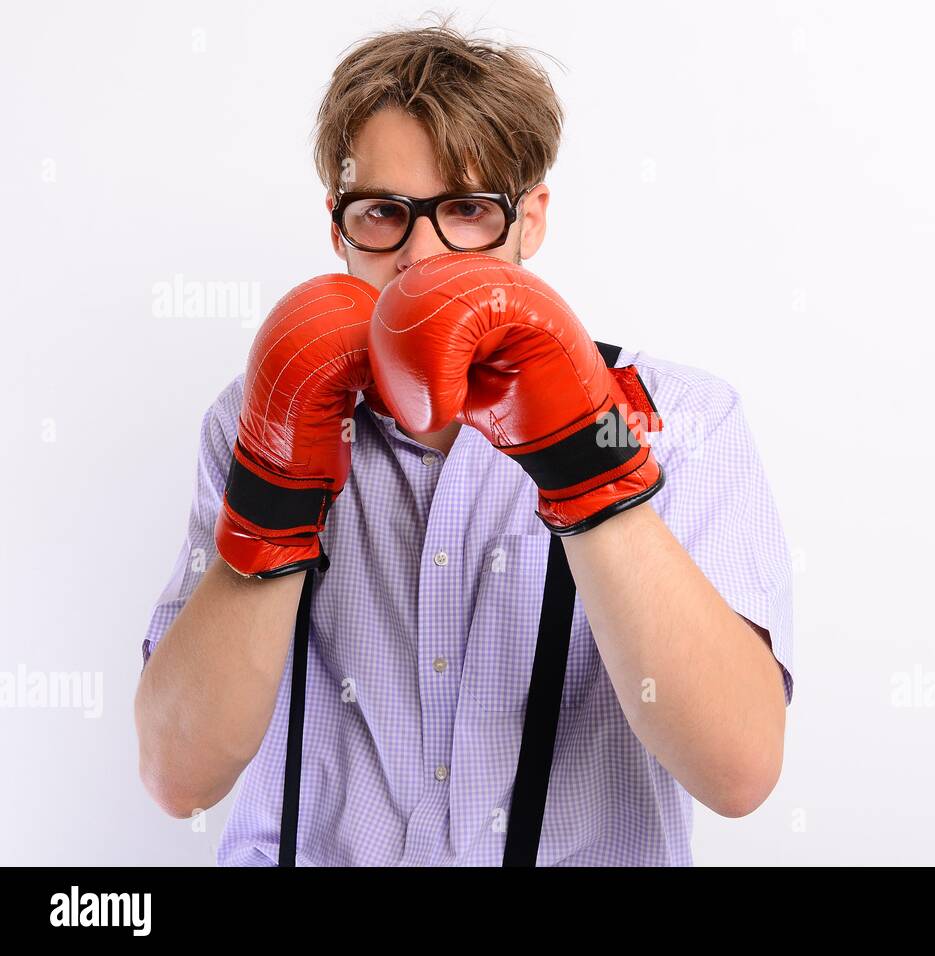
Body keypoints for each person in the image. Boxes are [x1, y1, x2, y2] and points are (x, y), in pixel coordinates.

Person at [134, 18, 794, 866]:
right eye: (384, 213)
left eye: (469, 211)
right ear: (338, 227)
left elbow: (740, 772)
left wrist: (588, 465)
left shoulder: (679, 419)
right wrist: (279, 487)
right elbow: (177, 775)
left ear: (532, 221)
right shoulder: (255, 413)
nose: (422, 256)